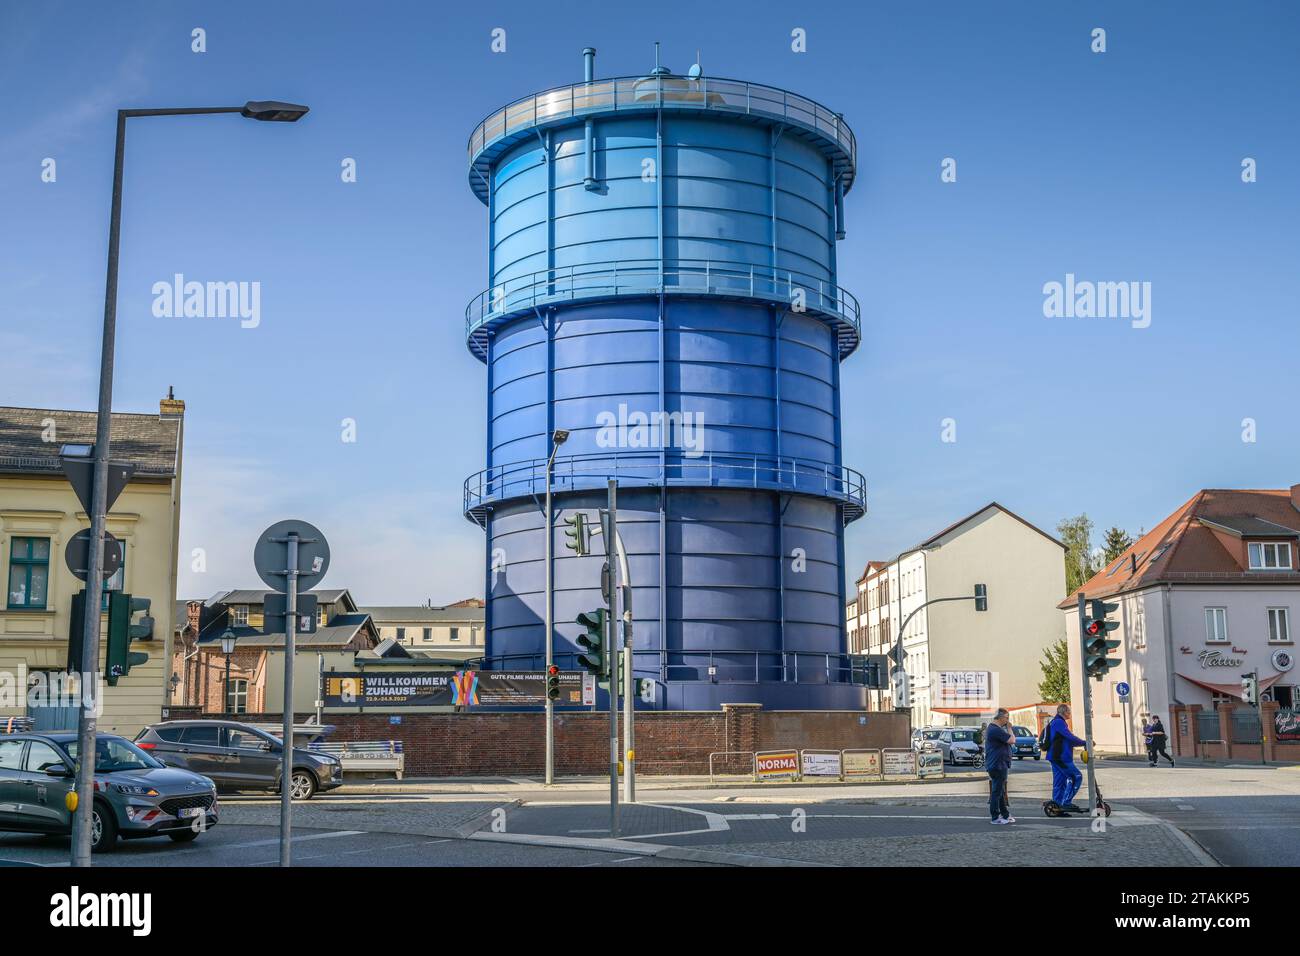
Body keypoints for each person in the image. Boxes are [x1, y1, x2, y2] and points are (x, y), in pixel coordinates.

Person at [1046, 703, 1086, 810]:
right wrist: (1085, 743)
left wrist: (1082, 743)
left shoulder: (1057, 722)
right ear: (1064, 712)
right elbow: (1070, 737)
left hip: (1056, 756)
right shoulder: (1059, 722)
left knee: (1060, 781)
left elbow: (1068, 740)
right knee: (1076, 777)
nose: (1070, 714)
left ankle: (1057, 805)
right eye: (1069, 712)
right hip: (1060, 757)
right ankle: (1066, 802)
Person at [984, 708, 1015, 824]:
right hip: (997, 764)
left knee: (1000, 790)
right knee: (997, 791)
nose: (1007, 720)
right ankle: (995, 817)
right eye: (1007, 718)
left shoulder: (993, 728)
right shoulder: (995, 729)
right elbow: (1012, 740)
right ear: (1001, 717)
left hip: (998, 763)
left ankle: (1005, 814)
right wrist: (1010, 728)